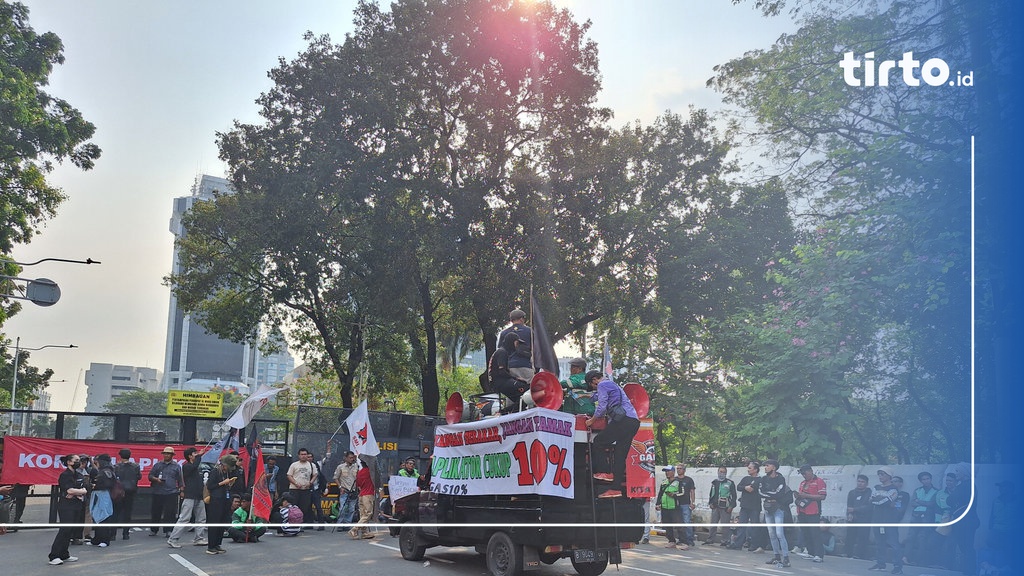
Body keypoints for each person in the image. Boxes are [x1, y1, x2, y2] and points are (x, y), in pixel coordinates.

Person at [584, 371, 641, 499]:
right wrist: (587, 396)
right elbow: (597, 397)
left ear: (594, 380)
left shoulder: (603, 384)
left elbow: (602, 406)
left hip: (624, 420)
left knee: (599, 441)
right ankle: (616, 489)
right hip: (633, 422)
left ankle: (605, 472)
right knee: (620, 455)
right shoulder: (612, 384)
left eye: (592, 386)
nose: (594, 388)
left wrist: (591, 421)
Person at [47, 454, 85, 565]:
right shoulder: (65, 475)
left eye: (79, 460)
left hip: (77, 505)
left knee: (70, 530)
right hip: (66, 506)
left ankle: (64, 554)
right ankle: (54, 555)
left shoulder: (78, 474)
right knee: (64, 530)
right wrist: (78, 491)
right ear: (69, 462)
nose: (78, 462)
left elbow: (84, 488)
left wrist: (79, 492)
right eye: (76, 460)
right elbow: (69, 491)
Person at [167, 447, 208, 548]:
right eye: (195, 453)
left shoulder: (196, 467)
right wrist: (200, 456)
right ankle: (173, 539)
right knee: (184, 518)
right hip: (189, 495)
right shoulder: (186, 466)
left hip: (199, 495)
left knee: (201, 518)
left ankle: (199, 538)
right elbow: (194, 466)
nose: (197, 454)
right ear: (190, 456)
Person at [868, 466, 904, 574]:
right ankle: (880, 563)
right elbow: (871, 500)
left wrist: (878, 500)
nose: (880, 476)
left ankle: (898, 566)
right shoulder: (876, 486)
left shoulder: (894, 489)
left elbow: (885, 501)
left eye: (882, 474)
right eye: (879, 474)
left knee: (893, 543)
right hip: (877, 518)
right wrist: (879, 500)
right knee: (879, 542)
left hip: (889, 519)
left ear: (889, 476)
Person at [947, 462, 979, 576]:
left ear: (965, 473)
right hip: (966, 521)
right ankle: (969, 570)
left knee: (967, 547)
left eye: (957, 471)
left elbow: (950, 500)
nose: (956, 474)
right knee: (966, 547)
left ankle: (970, 571)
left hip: (966, 522)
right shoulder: (967, 485)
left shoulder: (965, 486)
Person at [758, 459, 791, 568]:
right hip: (767, 508)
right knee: (771, 534)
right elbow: (760, 492)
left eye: (767, 465)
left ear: (774, 467)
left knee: (779, 534)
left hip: (778, 509)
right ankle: (776, 556)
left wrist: (769, 495)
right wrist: (771, 496)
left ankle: (786, 558)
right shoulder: (763, 478)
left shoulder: (780, 479)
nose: (765, 467)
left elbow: (779, 494)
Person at [204, 453, 238, 554]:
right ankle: (211, 546)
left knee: (222, 523)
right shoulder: (215, 471)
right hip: (215, 500)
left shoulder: (226, 473)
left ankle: (217, 544)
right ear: (224, 465)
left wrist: (230, 483)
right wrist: (223, 483)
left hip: (224, 499)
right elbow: (210, 486)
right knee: (214, 523)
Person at [795, 464, 827, 562]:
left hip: (813, 511)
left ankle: (819, 554)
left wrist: (807, 496)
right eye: (802, 474)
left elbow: (822, 496)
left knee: (814, 533)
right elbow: (802, 495)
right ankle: (810, 552)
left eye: (805, 473)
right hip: (802, 510)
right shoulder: (802, 483)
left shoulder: (819, 481)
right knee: (806, 532)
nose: (804, 475)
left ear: (810, 471)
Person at [148, 446, 183, 538]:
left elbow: (180, 479)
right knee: (156, 512)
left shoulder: (176, 466)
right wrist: (156, 479)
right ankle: (154, 530)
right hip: (158, 491)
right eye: (165, 454)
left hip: (171, 492)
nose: (166, 455)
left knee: (170, 513)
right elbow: (150, 476)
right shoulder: (158, 465)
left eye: (168, 454)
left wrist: (182, 490)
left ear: (172, 455)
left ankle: (168, 530)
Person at [489, 332, 530, 408]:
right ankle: (507, 412)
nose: (517, 345)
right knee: (526, 389)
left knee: (520, 399)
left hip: (497, 382)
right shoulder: (502, 352)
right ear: (511, 341)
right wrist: (516, 378)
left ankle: (511, 411)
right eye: (517, 343)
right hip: (500, 382)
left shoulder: (501, 351)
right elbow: (502, 371)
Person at [906, 471, 938, 566]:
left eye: (928, 479)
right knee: (910, 537)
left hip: (927, 517)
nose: (926, 481)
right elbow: (912, 503)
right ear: (920, 481)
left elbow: (933, 503)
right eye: (923, 479)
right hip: (915, 516)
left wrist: (919, 501)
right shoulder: (917, 490)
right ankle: (906, 558)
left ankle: (919, 561)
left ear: (931, 479)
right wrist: (924, 502)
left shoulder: (936, 491)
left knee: (922, 538)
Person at [733, 461, 765, 551]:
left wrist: (752, 488)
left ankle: (754, 544)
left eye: (750, 468)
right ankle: (738, 544)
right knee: (741, 525)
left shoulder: (760, 480)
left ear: (755, 470)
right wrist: (745, 488)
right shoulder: (746, 478)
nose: (748, 470)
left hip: (755, 506)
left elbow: (761, 490)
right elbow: (739, 487)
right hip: (744, 505)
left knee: (755, 526)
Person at [87, 453, 117, 547]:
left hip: (103, 496)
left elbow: (108, 484)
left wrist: (95, 485)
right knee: (97, 517)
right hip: (99, 495)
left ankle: (104, 540)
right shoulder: (106, 470)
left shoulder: (106, 471)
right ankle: (97, 539)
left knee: (103, 517)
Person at [498, 309, 534, 382]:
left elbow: (501, 351)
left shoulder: (504, 333)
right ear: (521, 319)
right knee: (527, 390)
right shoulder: (529, 331)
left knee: (513, 389)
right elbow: (536, 350)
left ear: (511, 320)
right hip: (525, 365)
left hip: (510, 367)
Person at [655, 466, 685, 549]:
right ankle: (671, 541)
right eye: (665, 471)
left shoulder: (678, 482)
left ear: (673, 472)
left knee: (679, 524)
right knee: (667, 525)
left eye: (668, 471)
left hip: (674, 506)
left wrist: (674, 495)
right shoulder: (664, 482)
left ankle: (683, 541)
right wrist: (658, 503)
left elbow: (683, 493)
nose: (666, 473)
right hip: (665, 507)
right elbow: (660, 494)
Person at [114, 448, 141, 540]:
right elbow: (139, 477)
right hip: (131, 491)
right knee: (128, 513)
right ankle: (126, 534)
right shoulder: (136, 466)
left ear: (120, 456)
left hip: (119, 492)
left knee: (116, 512)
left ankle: (113, 534)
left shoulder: (117, 466)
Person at [707, 466, 737, 546]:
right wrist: (710, 503)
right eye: (720, 472)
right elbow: (711, 494)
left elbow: (734, 496)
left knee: (725, 525)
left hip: (725, 507)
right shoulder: (714, 482)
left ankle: (725, 541)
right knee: (713, 524)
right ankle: (710, 539)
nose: (722, 474)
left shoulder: (730, 483)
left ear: (726, 473)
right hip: (715, 506)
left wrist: (731, 506)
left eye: (724, 472)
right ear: (717, 472)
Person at [286, 448, 317, 524]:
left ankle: (300, 523)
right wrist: (296, 483)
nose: (303, 456)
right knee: (294, 507)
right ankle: (292, 523)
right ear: (299, 455)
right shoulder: (294, 465)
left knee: (304, 507)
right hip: (295, 489)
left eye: (305, 454)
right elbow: (289, 475)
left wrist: (310, 482)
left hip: (306, 490)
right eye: (302, 454)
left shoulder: (311, 465)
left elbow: (315, 474)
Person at [846, 473, 873, 559]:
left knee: (863, 537)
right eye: (858, 481)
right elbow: (849, 505)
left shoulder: (870, 493)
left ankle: (860, 555)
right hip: (853, 518)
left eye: (862, 482)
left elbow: (869, 507)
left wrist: (855, 509)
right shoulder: (852, 492)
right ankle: (848, 553)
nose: (860, 483)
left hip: (865, 518)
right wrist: (849, 514)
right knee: (850, 536)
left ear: (867, 483)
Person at [350, 457, 377, 540]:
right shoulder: (371, 472)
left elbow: (358, 485)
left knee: (363, 514)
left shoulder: (360, 472)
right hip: (368, 494)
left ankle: (364, 532)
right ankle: (354, 529)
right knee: (368, 513)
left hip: (361, 494)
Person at [333, 451, 359, 530]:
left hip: (354, 491)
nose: (352, 459)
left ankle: (347, 524)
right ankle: (340, 525)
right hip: (344, 490)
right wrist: (340, 487)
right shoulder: (340, 467)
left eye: (353, 458)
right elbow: (335, 478)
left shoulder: (356, 467)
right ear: (346, 458)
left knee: (351, 509)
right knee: (342, 509)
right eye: (350, 458)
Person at [674, 463, 697, 547]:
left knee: (687, 522)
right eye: (677, 468)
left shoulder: (689, 480)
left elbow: (692, 491)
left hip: (686, 504)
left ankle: (689, 539)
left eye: (680, 468)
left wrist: (693, 502)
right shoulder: (674, 479)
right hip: (676, 504)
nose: (678, 470)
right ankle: (681, 539)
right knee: (678, 523)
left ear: (684, 470)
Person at [309, 452, 327, 529]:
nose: (309, 458)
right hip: (306, 489)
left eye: (310, 457)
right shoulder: (302, 466)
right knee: (307, 508)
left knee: (318, 507)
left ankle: (321, 524)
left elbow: (322, 478)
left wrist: (324, 488)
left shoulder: (316, 465)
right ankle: (308, 524)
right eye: (308, 457)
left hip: (316, 489)